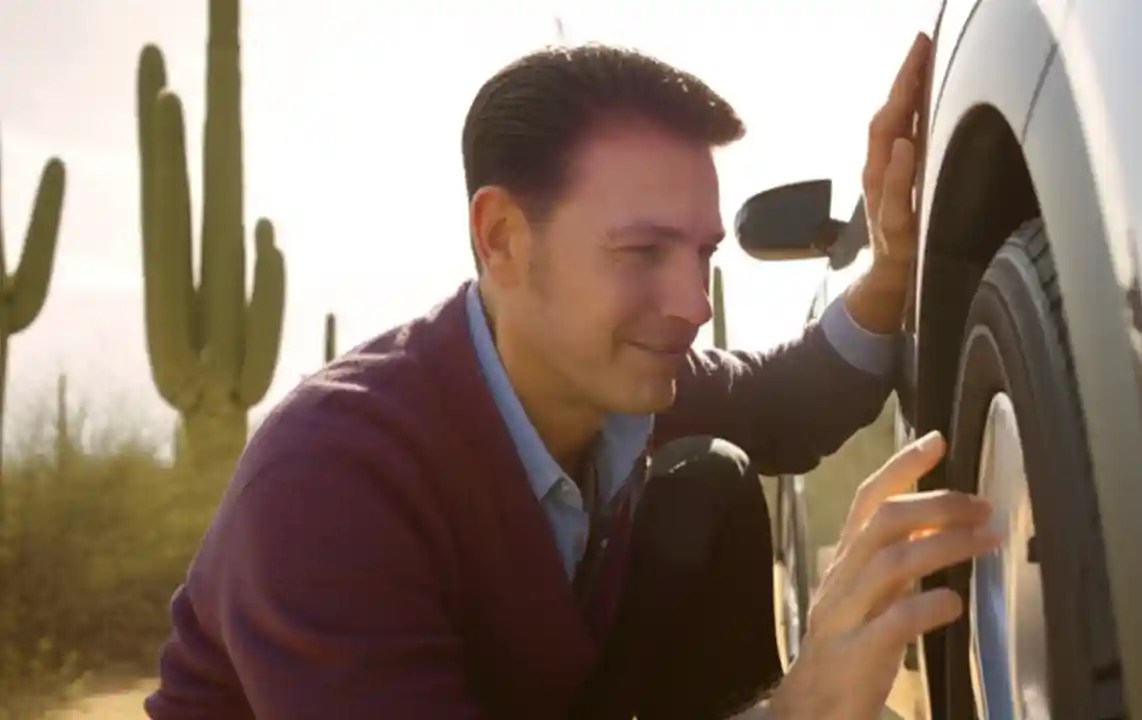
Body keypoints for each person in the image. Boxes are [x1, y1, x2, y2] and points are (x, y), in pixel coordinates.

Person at [145, 32, 998, 720]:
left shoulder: (617, 383)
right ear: (503, 237)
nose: (694, 304)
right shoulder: (329, 482)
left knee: (704, 486)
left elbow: (786, 404)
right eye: (641, 252)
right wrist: (803, 710)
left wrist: (891, 269)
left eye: (700, 255)